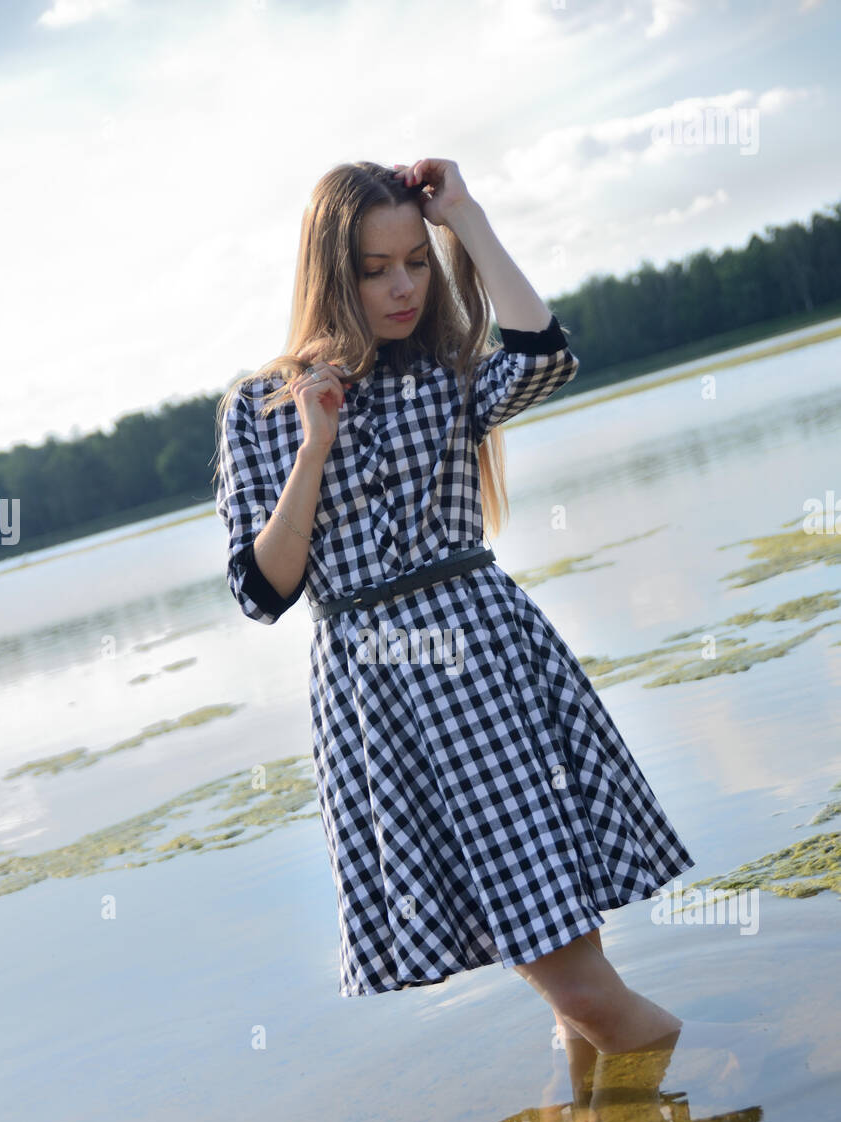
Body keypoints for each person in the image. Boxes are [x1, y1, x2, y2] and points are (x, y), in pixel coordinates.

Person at [213, 157, 694, 1060]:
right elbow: (262, 591)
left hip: (481, 658)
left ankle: (707, 1110)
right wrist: (312, 449)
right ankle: (602, 1110)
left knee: (574, 974)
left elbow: (546, 358)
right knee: (562, 968)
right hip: (377, 689)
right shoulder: (257, 407)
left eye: (416, 262)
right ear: (330, 270)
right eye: (374, 268)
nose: (401, 286)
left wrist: (465, 218)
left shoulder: (445, 372)